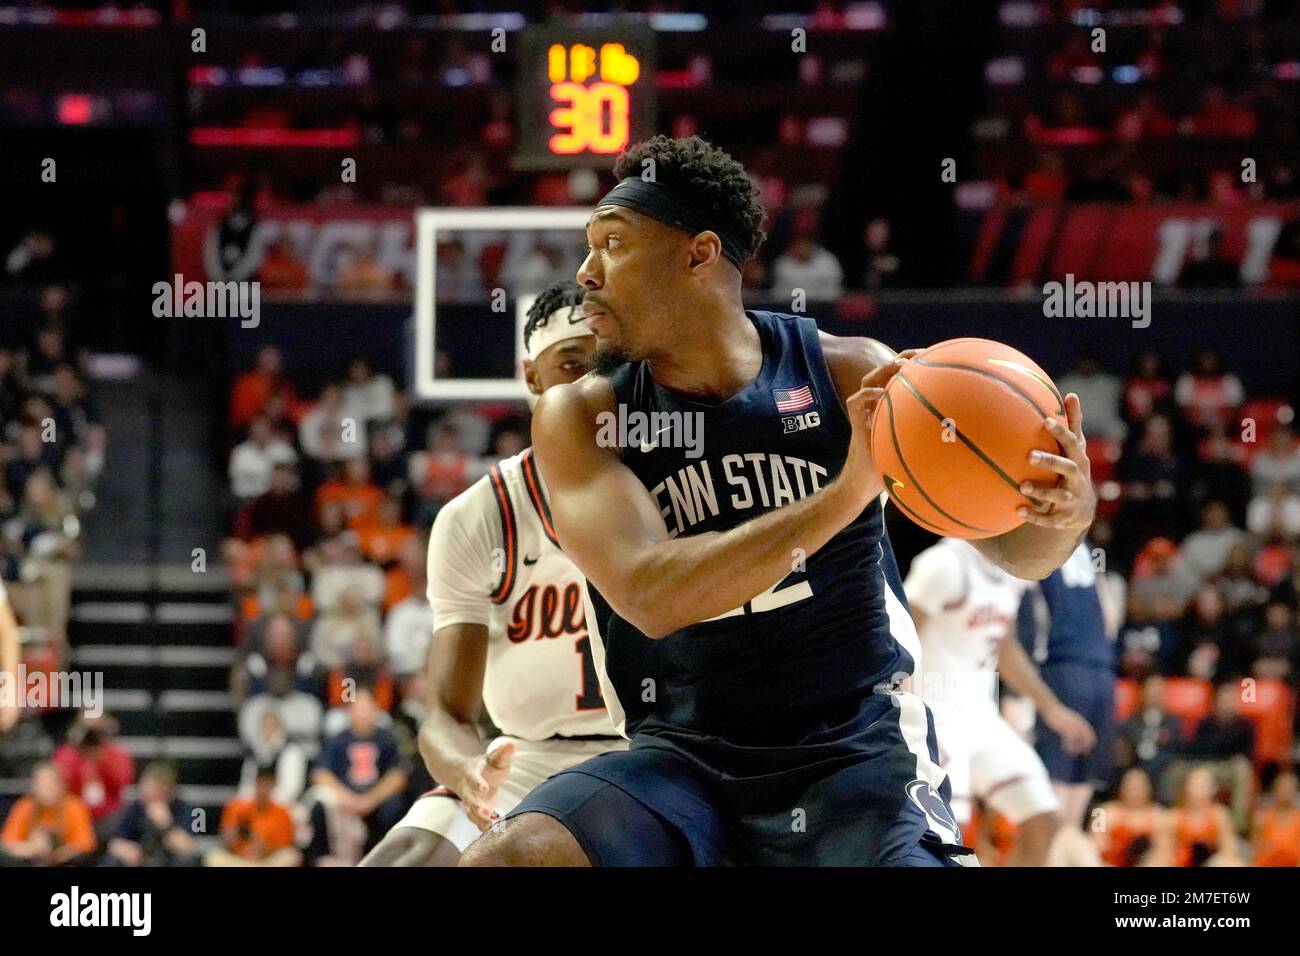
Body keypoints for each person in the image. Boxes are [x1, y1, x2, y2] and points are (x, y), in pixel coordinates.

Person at [462, 135, 1098, 868]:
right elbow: (649, 593)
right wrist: (845, 492)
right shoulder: (582, 415)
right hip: (684, 758)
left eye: (613, 243)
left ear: (698, 254)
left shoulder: (850, 373)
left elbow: (1017, 550)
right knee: (509, 858)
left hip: (854, 751)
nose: (585, 273)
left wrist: (1061, 513)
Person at [361, 280, 626, 867]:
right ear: (531, 376)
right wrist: (470, 771)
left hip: (653, 755)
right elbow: (446, 717)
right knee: (401, 858)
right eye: (571, 364)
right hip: (526, 758)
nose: (590, 384)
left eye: (608, 365)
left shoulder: (680, 488)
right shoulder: (479, 517)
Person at [905, 537, 1094, 866]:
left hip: (981, 714)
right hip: (934, 714)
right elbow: (900, 637)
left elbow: (1006, 647)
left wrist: (1051, 708)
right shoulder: (944, 564)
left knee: (1044, 818)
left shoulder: (1012, 572)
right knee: (950, 830)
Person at [1016, 541, 1116, 867]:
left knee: (1052, 820)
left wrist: (1017, 695)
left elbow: (1025, 617)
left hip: (1062, 672)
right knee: (1072, 819)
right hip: (1103, 673)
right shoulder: (1084, 548)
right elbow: (1110, 617)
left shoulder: (1035, 546)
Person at [306, 685, 408, 864]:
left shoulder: (387, 739)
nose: (362, 714)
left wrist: (369, 800)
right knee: (319, 808)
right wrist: (348, 799)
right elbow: (321, 773)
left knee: (395, 809)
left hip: (376, 801)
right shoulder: (338, 739)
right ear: (349, 712)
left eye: (366, 708)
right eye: (357, 709)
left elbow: (398, 775)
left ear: (376, 710)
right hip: (344, 800)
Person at [0, 763, 96, 866]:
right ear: (33, 787)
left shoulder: (74, 806)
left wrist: (54, 854)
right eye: (41, 785)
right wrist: (32, 848)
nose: (45, 790)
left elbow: (86, 845)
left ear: (61, 785)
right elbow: (7, 844)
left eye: (50, 785)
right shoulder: (25, 806)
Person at [104, 761, 198, 867]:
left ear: (168, 791)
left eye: (154, 788)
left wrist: (166, 824)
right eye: (145, 786)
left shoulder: (182, 808)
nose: (146, 792)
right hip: (140, 861)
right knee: (111, 861)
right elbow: (114, 843)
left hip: (168, 860)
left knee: (185, 861)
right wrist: (128, 850)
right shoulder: (135, 808)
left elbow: (187, 848)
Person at [205, 767, 301, 867]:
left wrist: (263, 846)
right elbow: (225, 839)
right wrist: (233, 837)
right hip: (239, 860)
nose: (263, 789)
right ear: (254, 784)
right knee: (214, 857)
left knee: (291, 856)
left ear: (273, 786)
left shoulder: (282, 813)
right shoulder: (236, 807)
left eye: (266, 785)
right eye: (260, 784)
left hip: (267, 862)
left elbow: (285, 847)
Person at [1091, 767, 1167, 867]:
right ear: (1121, 787)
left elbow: (1163, 854)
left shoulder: (1160, 816)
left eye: (1139, 788)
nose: (1134, 793)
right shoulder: (1102, 812)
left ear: (1149, 788)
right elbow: (1094, 844)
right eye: (1130, 787)